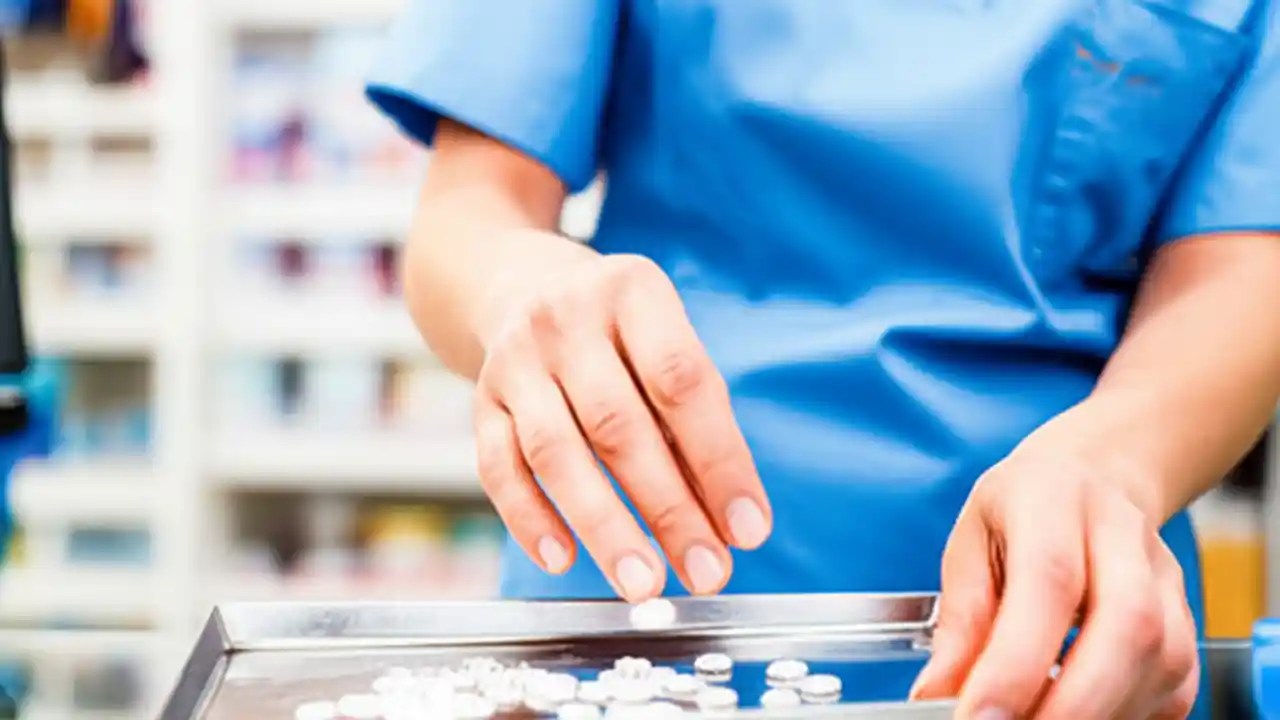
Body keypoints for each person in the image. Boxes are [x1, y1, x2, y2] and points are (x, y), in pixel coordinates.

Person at [366, 1, 1280, 717]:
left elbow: (1242, 273)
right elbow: (468, 213)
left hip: (1059, 609)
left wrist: (1111, 466)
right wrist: (517, 283)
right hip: (638, 603)